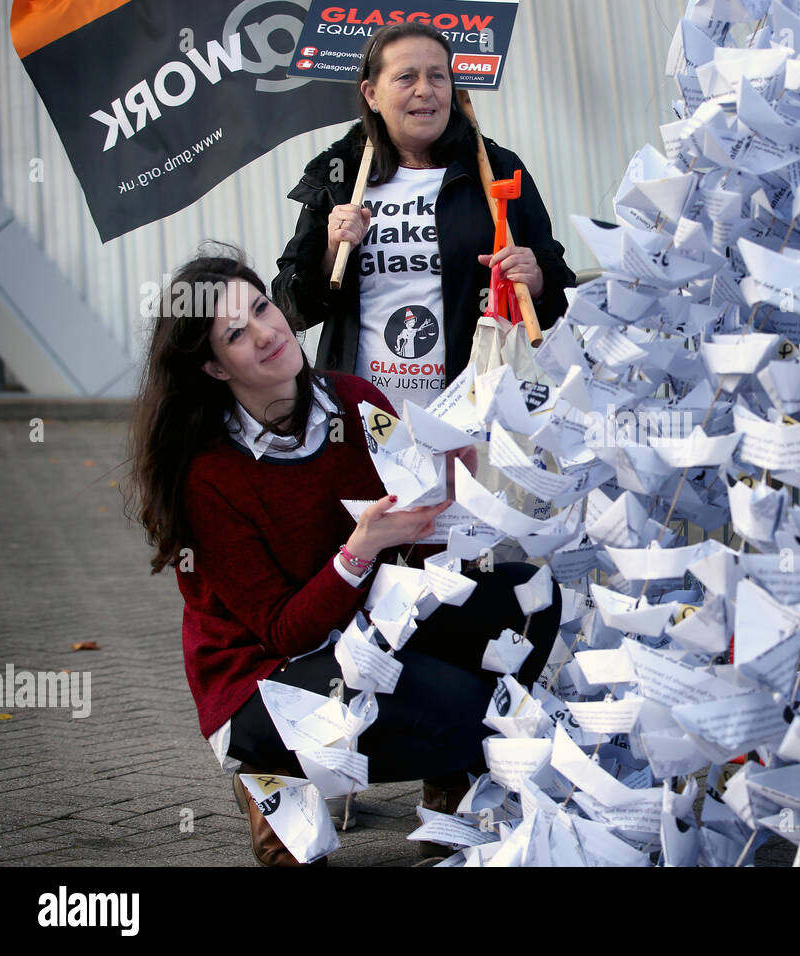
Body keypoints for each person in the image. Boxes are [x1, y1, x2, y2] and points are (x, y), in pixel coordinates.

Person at [125, 247, 561, 866]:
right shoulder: (209, 474)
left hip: (364, 632)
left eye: (262, 307)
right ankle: (272, 774)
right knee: (463, 712)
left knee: (524, 597)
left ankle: (449, 784)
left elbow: (414, 552)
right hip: (263, 679)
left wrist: (447, 490)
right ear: (215, 369)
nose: (267, 333)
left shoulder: (355, 400)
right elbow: (284, 629)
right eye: (235, 334)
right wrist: (359, 549)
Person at [273, 21, 575, 412]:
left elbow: (561, 296)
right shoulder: (339, 177)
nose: (425, 90)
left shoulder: (498, 170)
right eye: (405, 77)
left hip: (474, 411)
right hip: (362, 417)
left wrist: (536, 280)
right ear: (372, 94)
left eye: (437, 76)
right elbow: (289, 307)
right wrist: (330, 252)